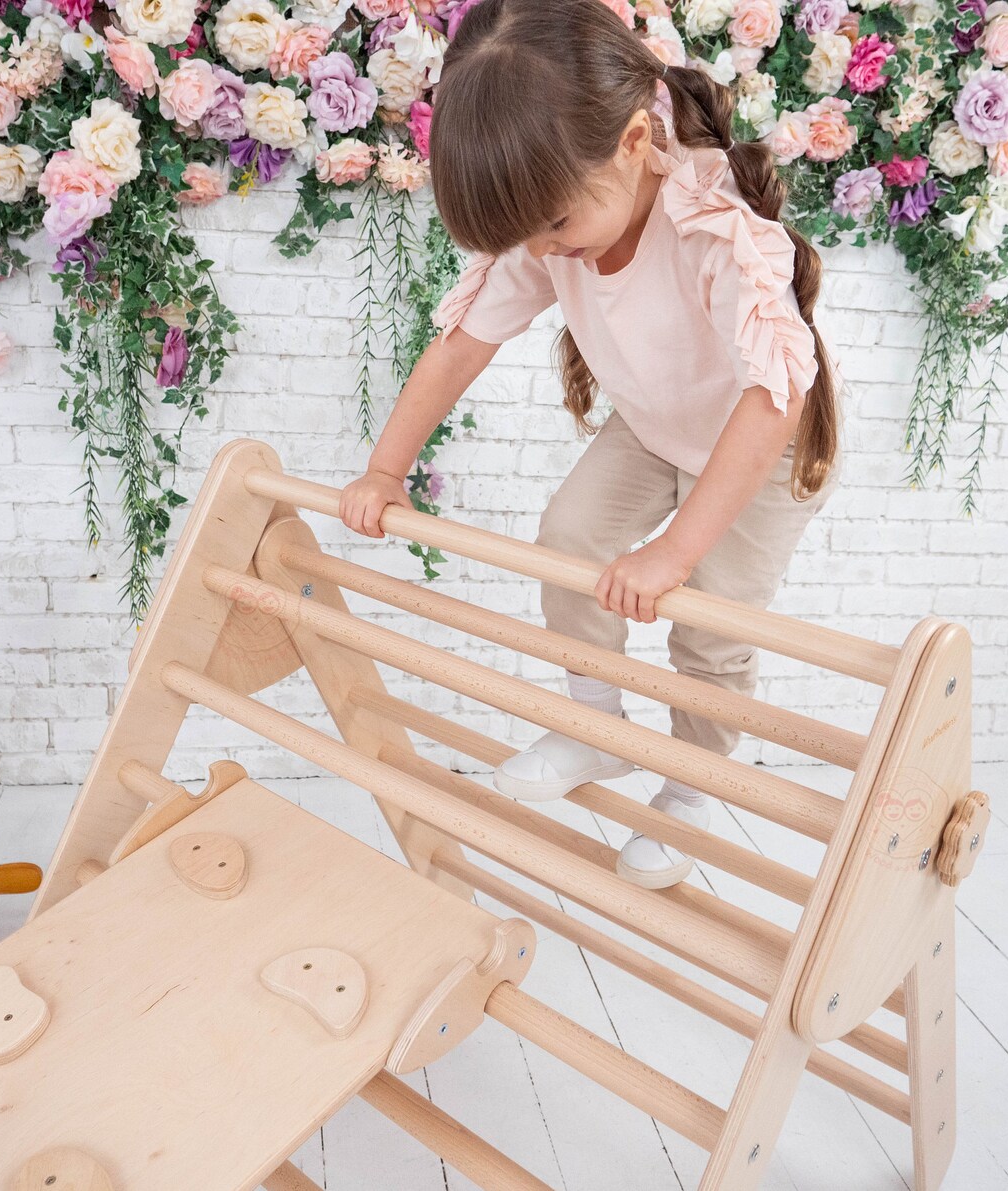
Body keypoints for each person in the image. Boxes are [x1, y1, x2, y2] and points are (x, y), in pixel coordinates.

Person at [339, 0, 840, 889]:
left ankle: (691, 785)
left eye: (557, 228)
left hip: (753, 448)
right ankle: (594, 726)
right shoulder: (556, 213)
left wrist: (675, 552)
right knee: (570, 534)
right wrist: (387, 467)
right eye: (530, 236)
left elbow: (773, 396)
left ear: (635, 144)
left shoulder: (711, 227)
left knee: (710, 635)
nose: (543, 252)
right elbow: (461, 346)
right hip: (652, 428)